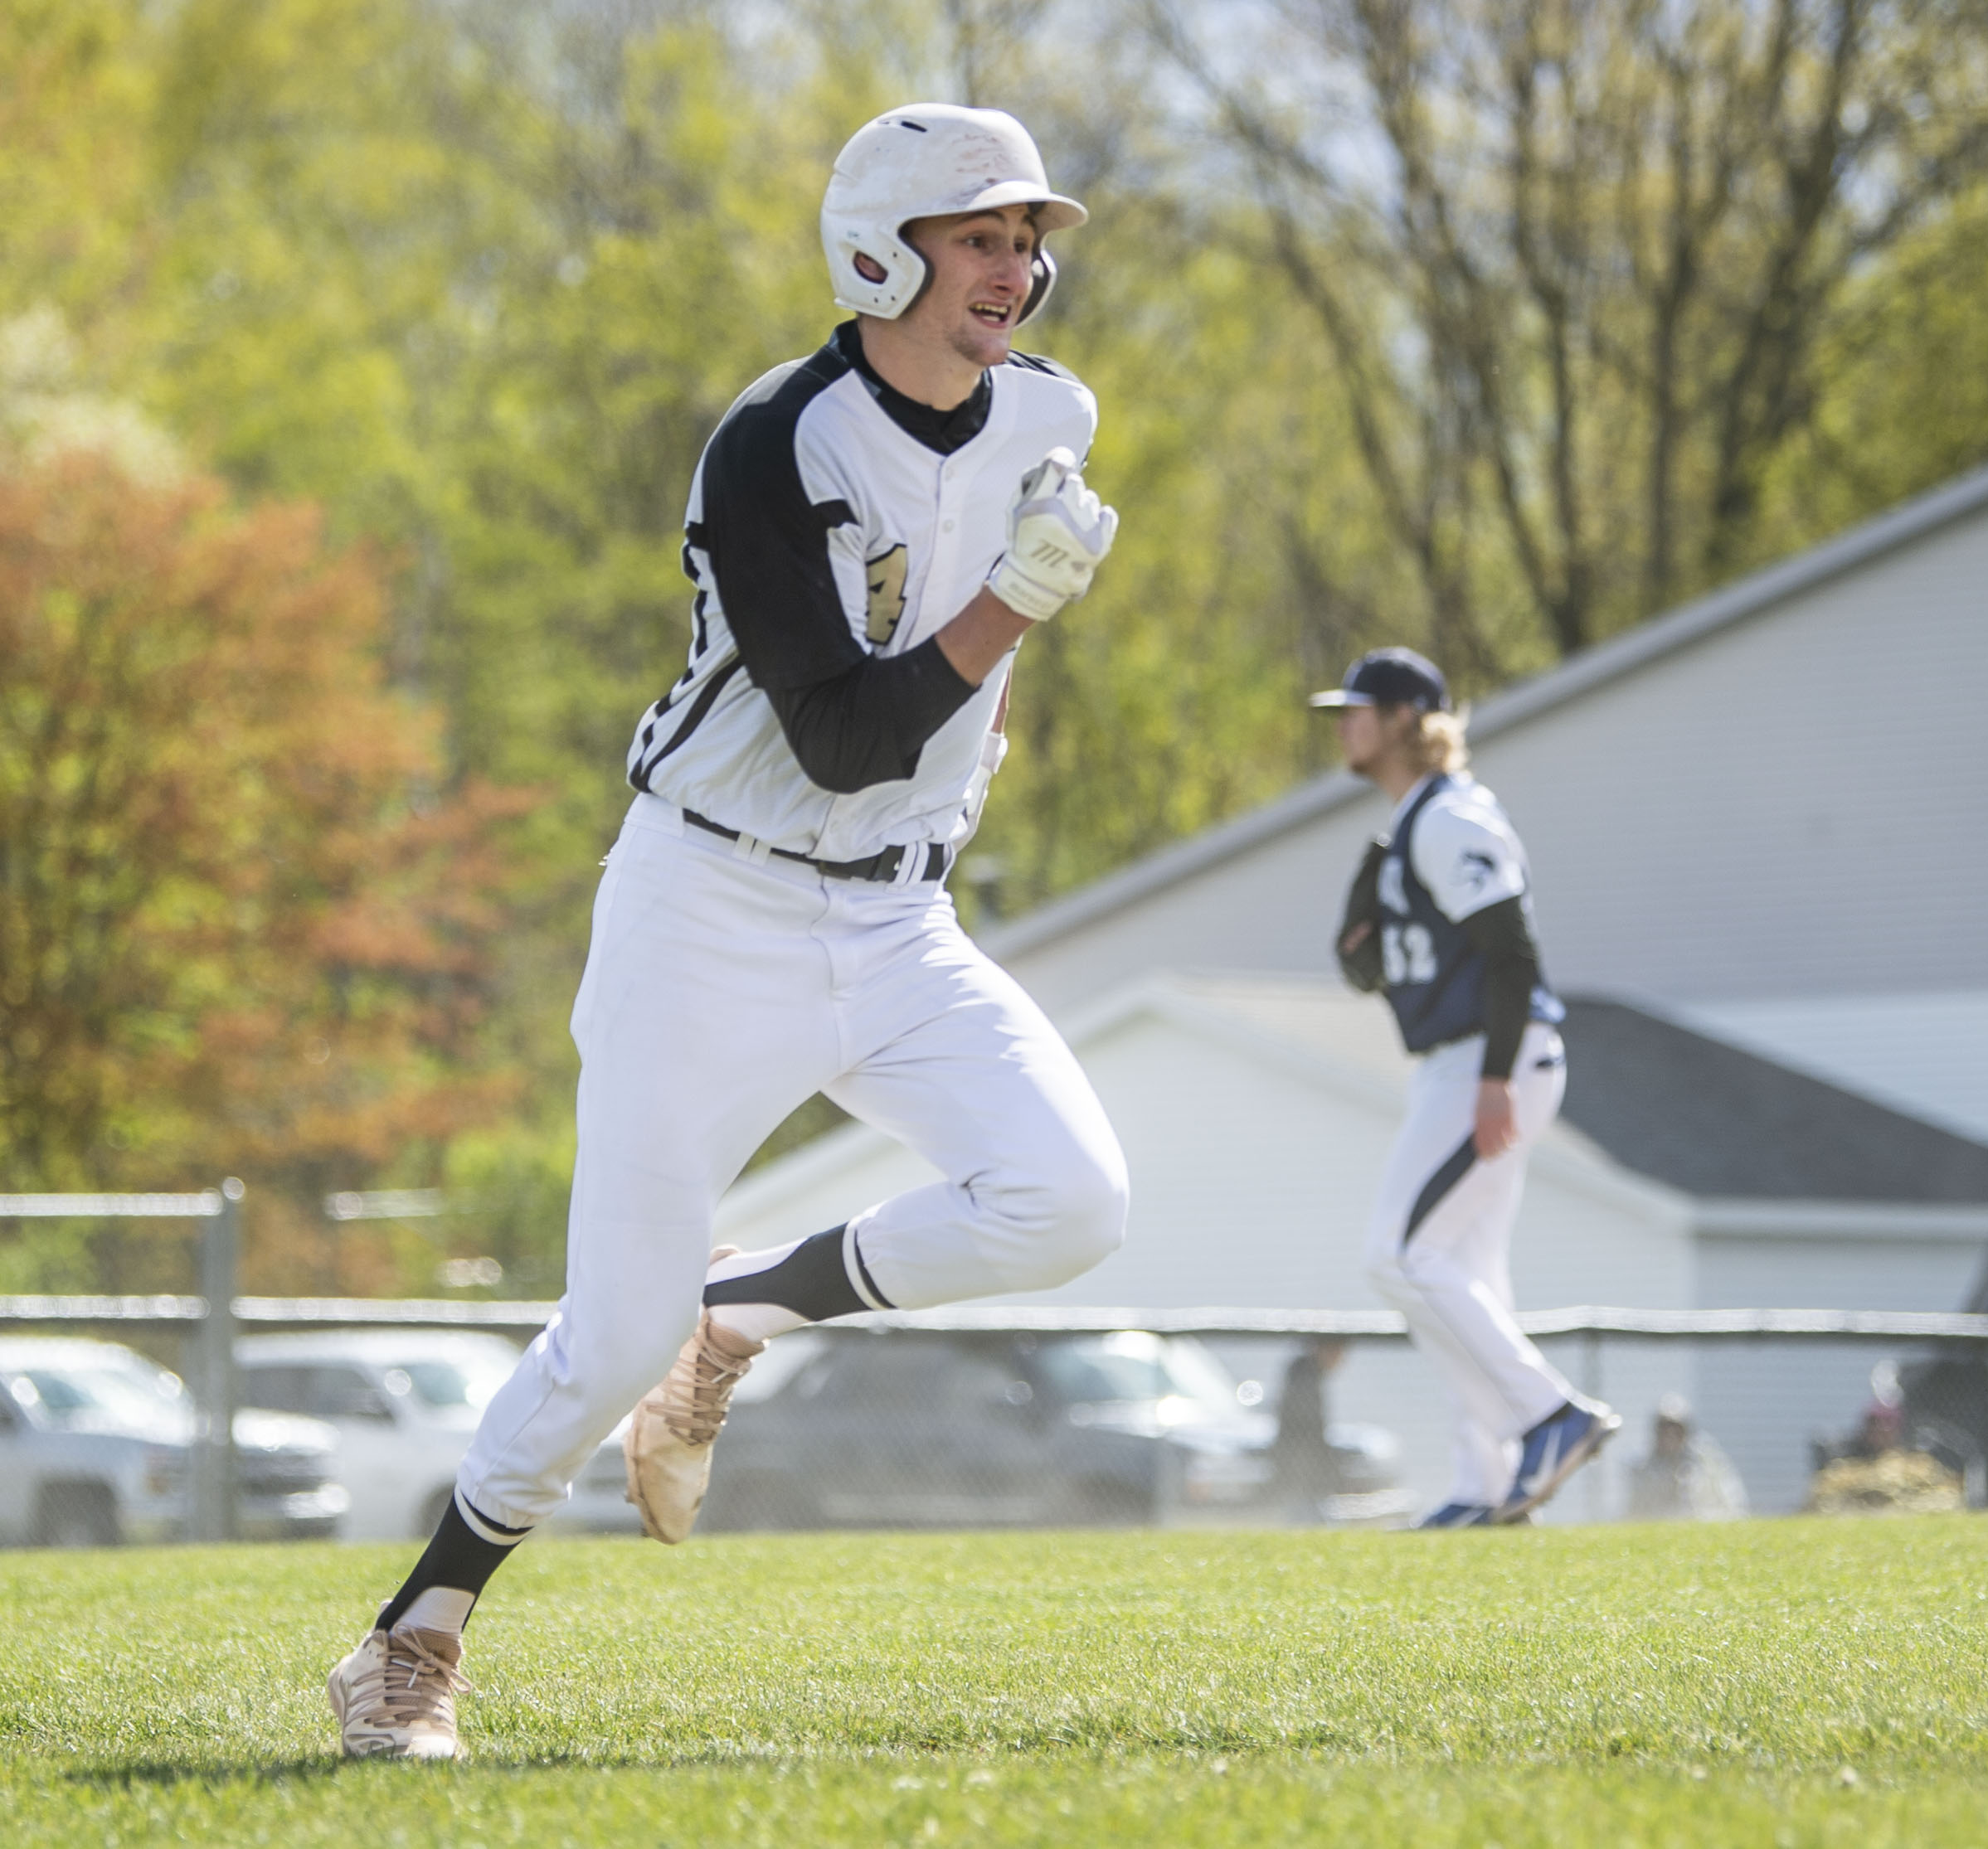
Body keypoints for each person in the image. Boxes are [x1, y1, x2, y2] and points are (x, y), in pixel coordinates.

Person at [326, 104, 1133, 1759]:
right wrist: (1015, 607)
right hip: (713, 904)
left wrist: (999, 651)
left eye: (1026, 237)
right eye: (979, 234)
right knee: (608, 1331)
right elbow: (842, 732)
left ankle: (743, 1308)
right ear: (877, 248)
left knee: (1069, 1200)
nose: (1018, 266)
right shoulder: (772, 439)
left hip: (902, 912)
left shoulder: (1055, 410)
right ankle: (410, 1642)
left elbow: (942, 692)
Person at [1319, 648, 1618, 1528]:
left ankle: (1548, 1415)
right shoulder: (1412, 824)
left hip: (1491, 1060)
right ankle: (1482, 1484)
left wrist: (1494, 1078)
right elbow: (1379, 960)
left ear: (1408, 717)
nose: (1343, 724)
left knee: (1400, 1253)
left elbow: (1513, 951)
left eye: (1358, 708)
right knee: (1466, 1270)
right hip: (1462, 1062)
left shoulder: (1448, 818)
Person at [1626, 1396, 1749, 1521]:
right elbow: (1635, 1510)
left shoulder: (1706, 1461)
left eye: (1676, 1431)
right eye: (1664, 1430)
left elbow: (1732, 1499)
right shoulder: (1643, 1467)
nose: (1670, 1436)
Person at [1268, 1337, 1349, 1520]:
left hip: (1302, 1464)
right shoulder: (1304, 1375)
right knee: (1304, 1512)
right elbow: (1306, 1426)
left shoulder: (1308, 1373)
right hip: (1298, 1462)